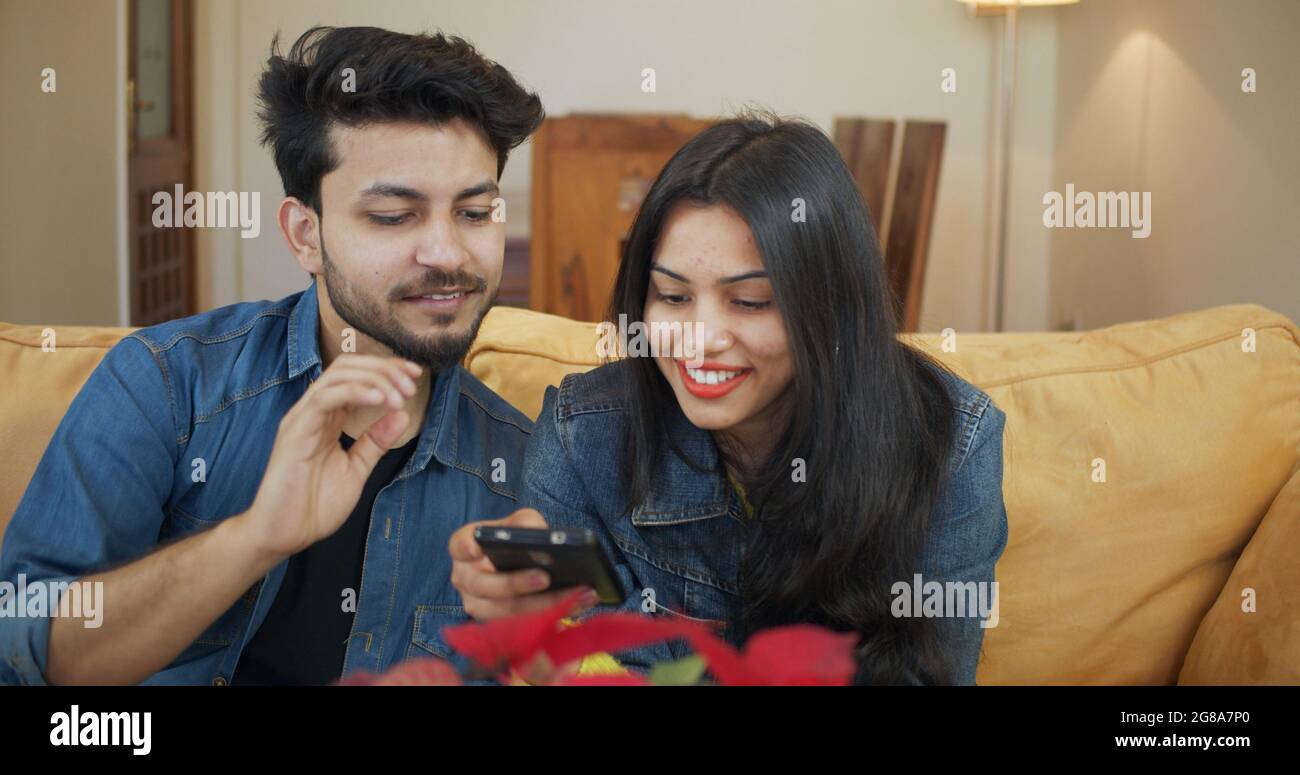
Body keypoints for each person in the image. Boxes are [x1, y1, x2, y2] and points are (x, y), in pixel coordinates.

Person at [0, 25, 556, 685]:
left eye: (472, 212)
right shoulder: (166, 385)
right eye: (392, 215)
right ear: (306, 235)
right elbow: (29, 648)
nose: (448, 254)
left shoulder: (523, 466)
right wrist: (253, 537)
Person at [450, 112, 1009, 685]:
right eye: (672, 295)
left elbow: (932, 672)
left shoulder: (949, 446)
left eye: (749, 302)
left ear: (832, 306)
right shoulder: (582, 434)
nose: (699, 340)